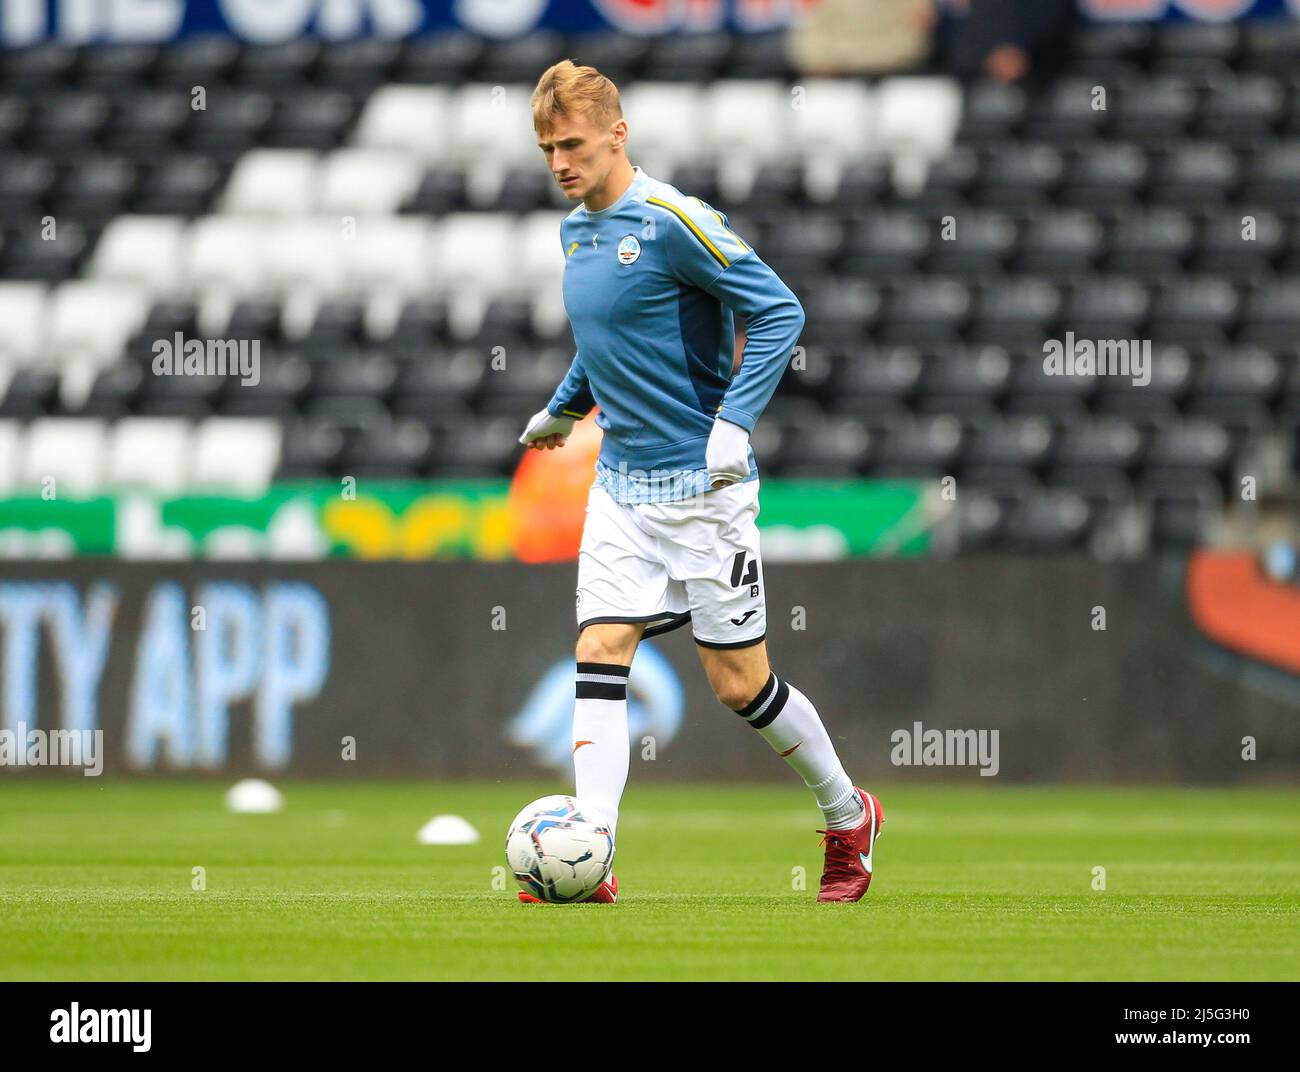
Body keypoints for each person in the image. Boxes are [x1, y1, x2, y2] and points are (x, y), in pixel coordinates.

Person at [516, 61, 884, 904]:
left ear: (618, 134)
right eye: (547, 148)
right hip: (618, 485)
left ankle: (847, 813)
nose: (561, 162)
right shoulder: (577, 232)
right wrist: (563, 409)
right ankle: (593, 851)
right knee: (600, 650)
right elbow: (607, 340)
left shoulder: (677, 220)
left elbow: (782, 310)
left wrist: (734, 423)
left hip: (704, 490)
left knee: (737, 682)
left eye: (573, 144)